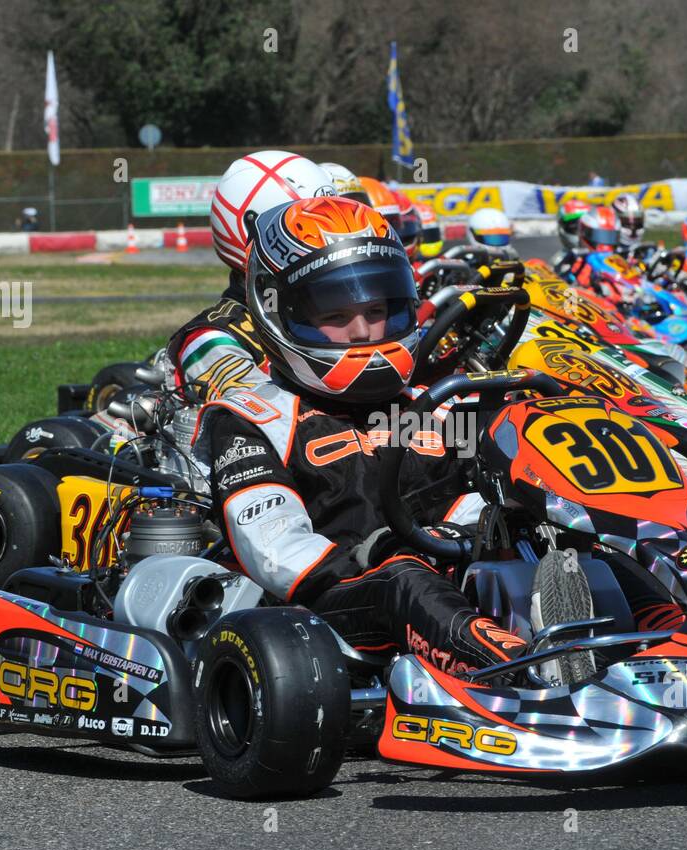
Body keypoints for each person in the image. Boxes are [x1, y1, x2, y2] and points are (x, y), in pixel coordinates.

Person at [199, 195, 529, 675]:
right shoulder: (252, 415)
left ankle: (665, 648)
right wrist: (374, 554)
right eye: (335, 317)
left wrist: (460, 534)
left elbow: (472, 491)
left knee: (565, 544)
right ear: (278, 314)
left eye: (377, 308)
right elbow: (275, 547)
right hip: (328, 604)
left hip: (446, 573)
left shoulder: (434, 402)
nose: (362, 330)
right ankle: (521, 672)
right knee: (404, 580)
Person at [166, 150, 335, 395]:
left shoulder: (350, 314)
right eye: (306, 228)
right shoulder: (215, 339)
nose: (331, 237)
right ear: (251, 231)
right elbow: (270, 419)